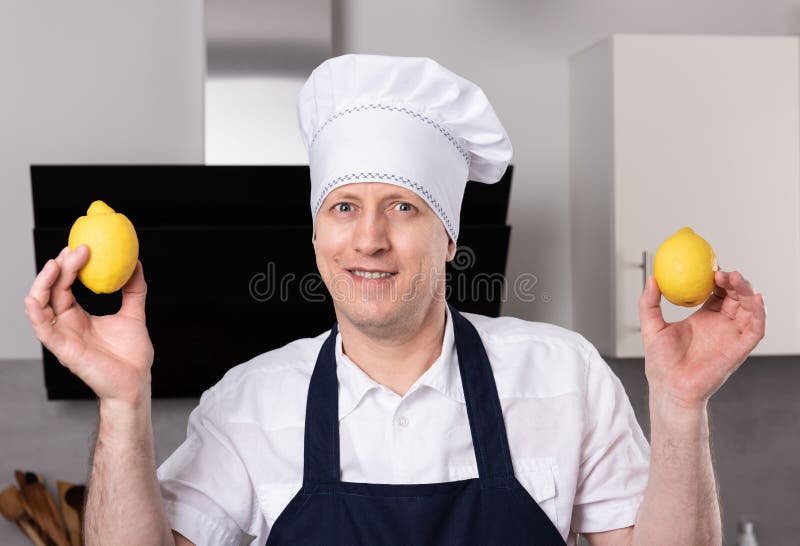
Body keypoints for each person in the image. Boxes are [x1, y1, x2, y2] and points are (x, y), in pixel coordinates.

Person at [23, 54, 766, 546]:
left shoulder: (562, 377)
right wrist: (121, 403)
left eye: (404, 208)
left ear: (449, 237)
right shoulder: (248, 405)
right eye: (343, 207)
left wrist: (679, 406)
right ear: (315, 238)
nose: (369, 239)